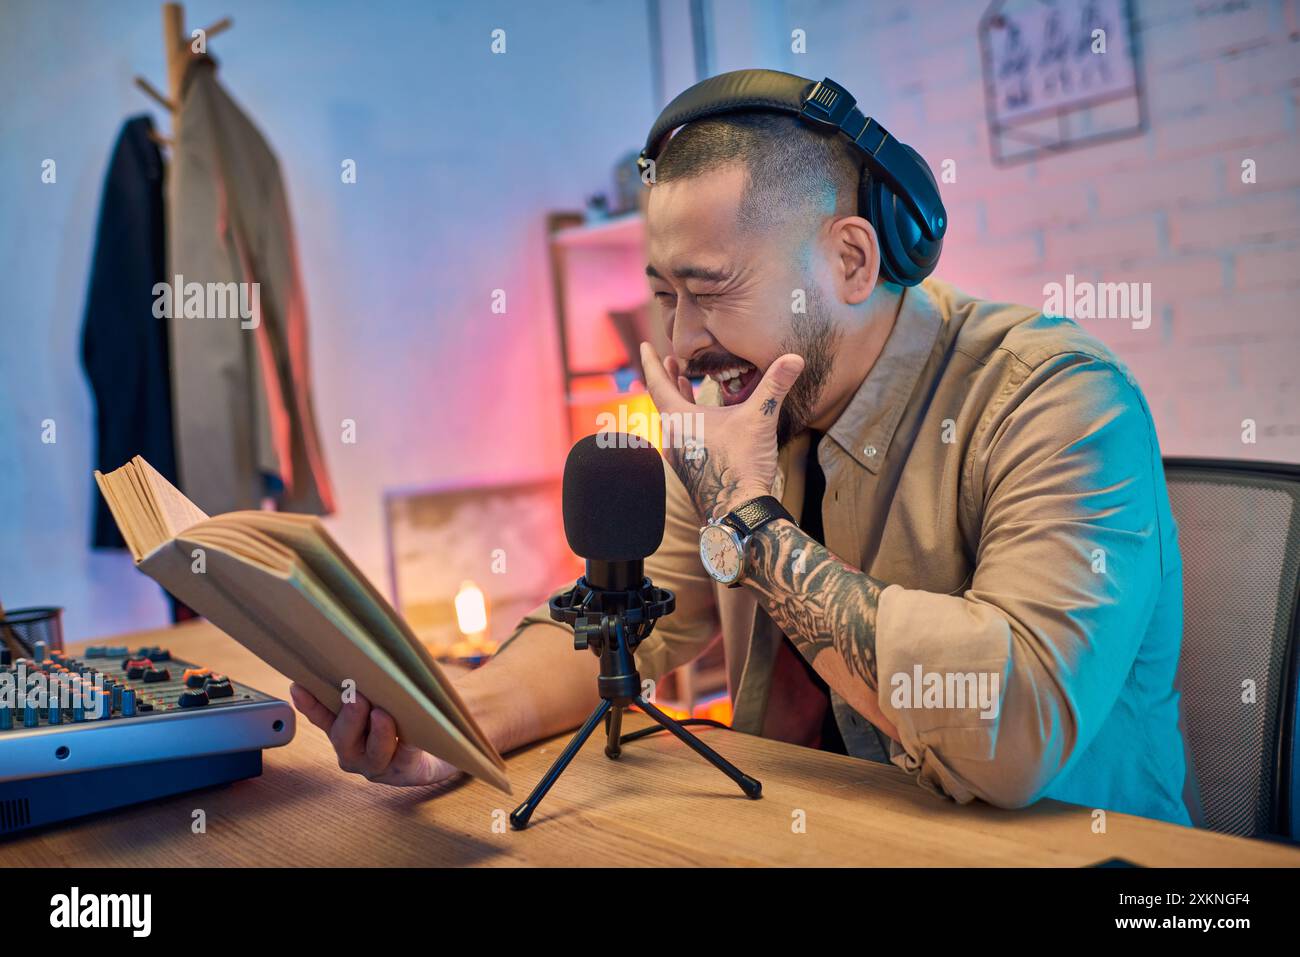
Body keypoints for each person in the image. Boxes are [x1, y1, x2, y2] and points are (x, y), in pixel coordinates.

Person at [291, 71, 1191, 825]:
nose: (679, 343)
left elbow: (1012, 727)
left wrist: (754, 526)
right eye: (662, 295)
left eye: (710, 289)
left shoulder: (1061, 401)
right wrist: (448, 728)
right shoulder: (748, 408)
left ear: (850, 261)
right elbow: (628, 623)